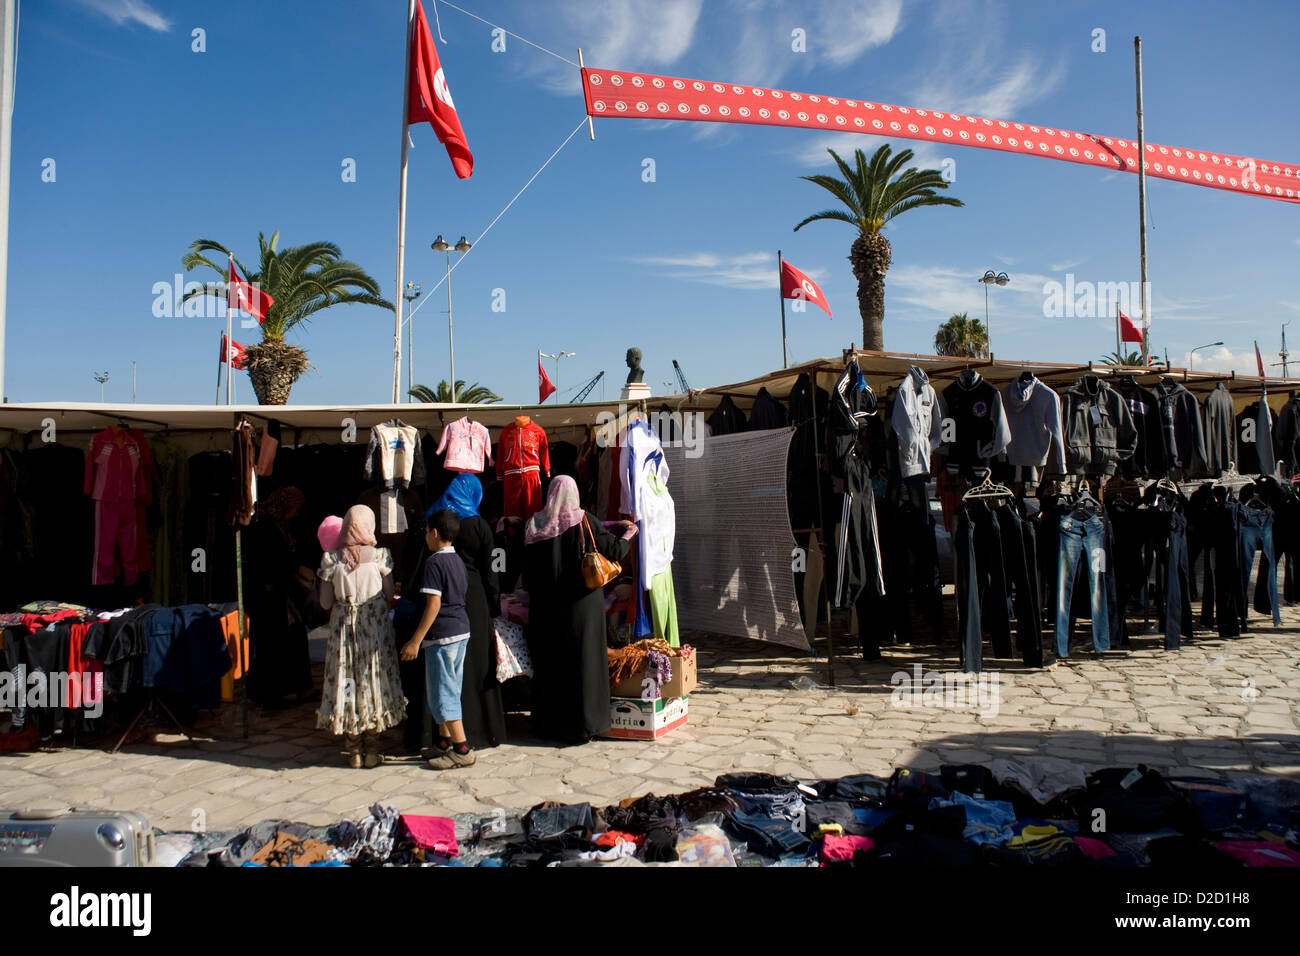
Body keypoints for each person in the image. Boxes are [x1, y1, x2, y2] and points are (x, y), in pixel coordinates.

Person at [523, 475, 635, 742]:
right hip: (581, 609)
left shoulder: (534, 525)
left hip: (545, 610)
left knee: (551, 666)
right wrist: (630, 533)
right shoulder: (583, 520)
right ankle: (583, 726)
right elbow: (614, 550)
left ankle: (548, 725)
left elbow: (523, 568)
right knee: (583, 664)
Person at [316, 505, 407, 768]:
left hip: (343, 629)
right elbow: (390, 595)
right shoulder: (380, 557)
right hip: (374, 629)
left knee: (348, 680)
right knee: (371, 681)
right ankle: (372, 748)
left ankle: (353, 748)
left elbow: (324, 602)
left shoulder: (331, 560)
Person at [427, 473, 507, 750]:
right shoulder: (480, 526)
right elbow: (492, 568)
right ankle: (483, 730)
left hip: (445, 597)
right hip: (475, 598)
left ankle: (446, 733)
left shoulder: (439, 520)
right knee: (477, 663)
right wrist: (495, 603)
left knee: (447, 668)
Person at [401, 509, 475, 769]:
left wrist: (415, 640)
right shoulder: (458, 560)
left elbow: (433, 605)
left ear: (434, 533)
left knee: (444, 692)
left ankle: (462, 748)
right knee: (444, 687)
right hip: (460, 631)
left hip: (442, 635)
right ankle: (443, 743)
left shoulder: (434, 562)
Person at [243, 486, 314, 709]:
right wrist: (297, 573)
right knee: (271, 646)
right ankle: (270, 695)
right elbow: (272, 562)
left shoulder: (278, 526)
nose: (297, 513)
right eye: (294, 508)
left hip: (279, 594)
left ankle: (295, 689)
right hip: (267, 597)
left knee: (290, 639)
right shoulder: (264, 528)